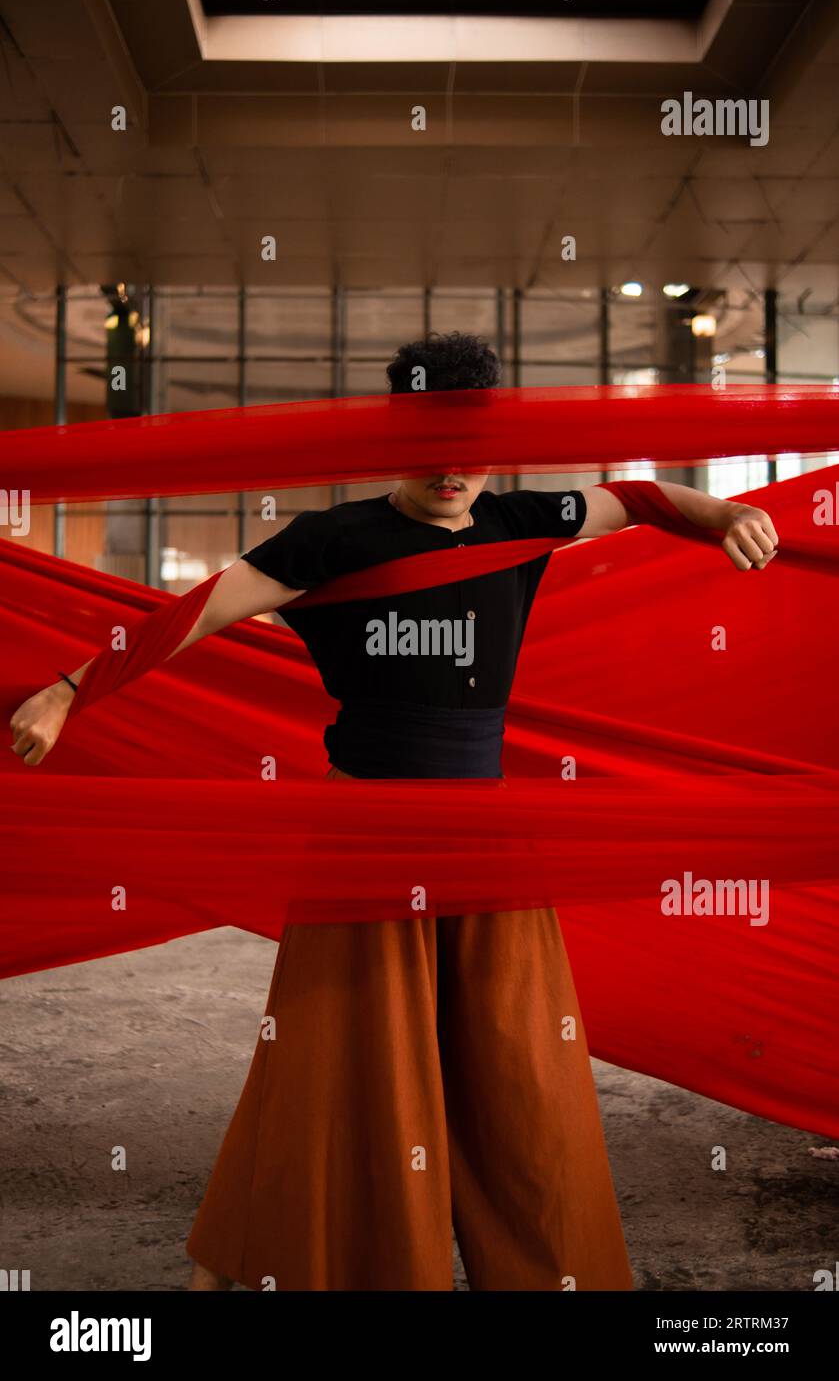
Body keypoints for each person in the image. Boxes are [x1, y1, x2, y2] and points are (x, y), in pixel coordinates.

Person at [10, 332, 779, 1291]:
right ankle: (274, 1261)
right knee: (339, 1064)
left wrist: (725, 514)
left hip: (488, 840)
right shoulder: (330, 542)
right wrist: (66, 691)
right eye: (429, 445)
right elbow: (192, 613)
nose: (452, 470)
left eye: (470, 447)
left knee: (521, 1069)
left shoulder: (521, 520)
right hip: (364, 841)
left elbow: (642, 498)